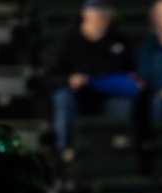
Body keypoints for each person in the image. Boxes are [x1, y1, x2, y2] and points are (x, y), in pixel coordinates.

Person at [45, 0, 141, 158]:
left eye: (106, 17)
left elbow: (132, 74)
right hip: (77, 98)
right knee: (61, 98)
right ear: (85, 15)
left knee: (123, 105)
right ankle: (63, 153)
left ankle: (119, 153)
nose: (103, 21)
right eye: (98, 17)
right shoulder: (69, 41)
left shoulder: (118, 40)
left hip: (108, 98)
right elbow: (50, 79)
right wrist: (70, 80)